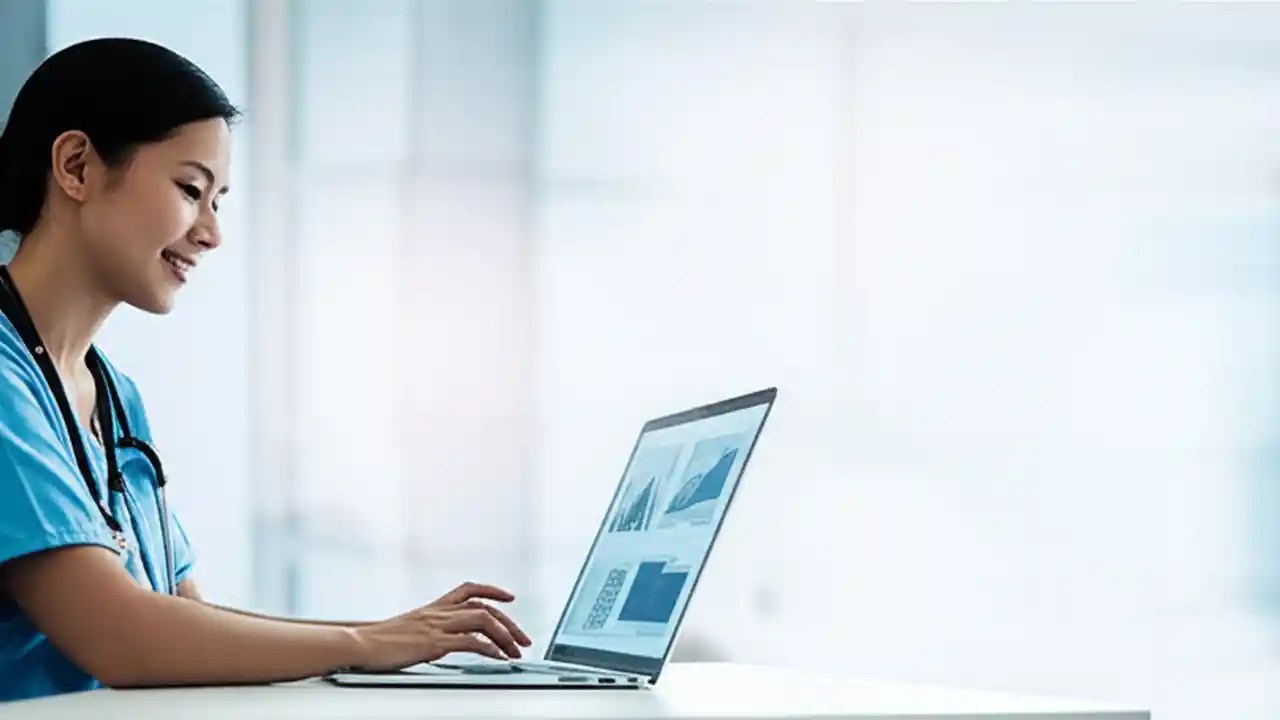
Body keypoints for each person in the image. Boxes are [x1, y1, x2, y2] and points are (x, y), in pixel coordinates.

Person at [0, 38, 530, 702]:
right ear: (76, 166)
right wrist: (370, 644)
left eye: (219, 199)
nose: (212, 231)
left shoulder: (114, 398)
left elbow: (184, 620)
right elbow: (122, 637)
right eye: (191, 189)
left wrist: (392, 635)